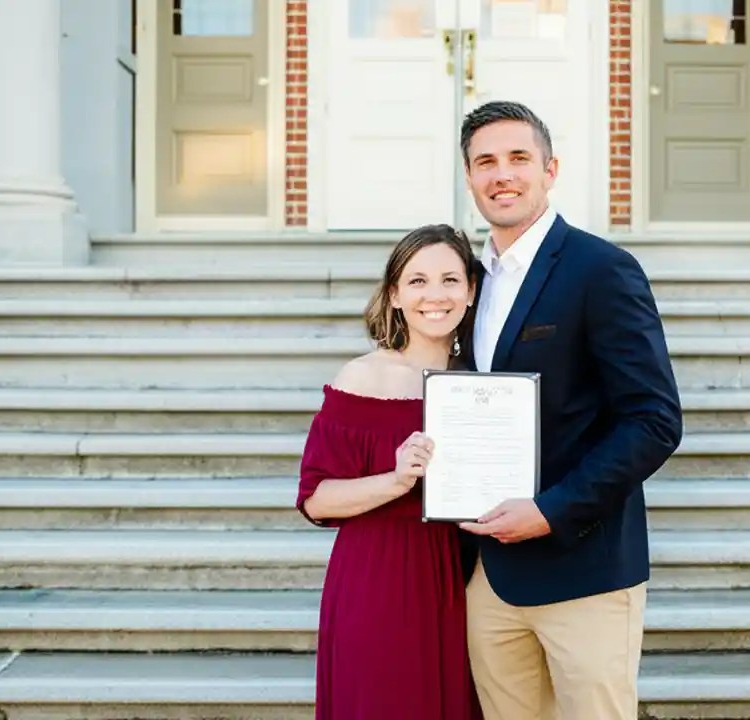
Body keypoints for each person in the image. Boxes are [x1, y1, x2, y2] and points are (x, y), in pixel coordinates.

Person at [456, 101, 683, 719]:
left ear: (550, 169)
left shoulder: (600, 269)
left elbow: (655, 421)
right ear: (470, 177)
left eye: (518, 158)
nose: (502, 174)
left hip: (585, 567)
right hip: (489, 573)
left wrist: (551, 510)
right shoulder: (468, 284)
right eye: (485, 162)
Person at [296, 224, 484, 719]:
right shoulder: (365, 376)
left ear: (470, 291)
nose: (435, 296)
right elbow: (316, 498)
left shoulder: (484, 384)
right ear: (395, 295)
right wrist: (396, 480)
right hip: (381, 576)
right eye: (417, 281)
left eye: (449, 279)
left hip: (465, 577)